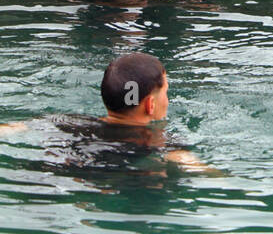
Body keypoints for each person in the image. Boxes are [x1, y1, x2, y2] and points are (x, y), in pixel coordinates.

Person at [0, 53, 213, 173]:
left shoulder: (67, 122)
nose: (167, 99)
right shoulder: (160, 143)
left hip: (51, 172)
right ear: (150, 105)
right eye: (166, 92)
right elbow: (207, 174)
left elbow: (11, 129)